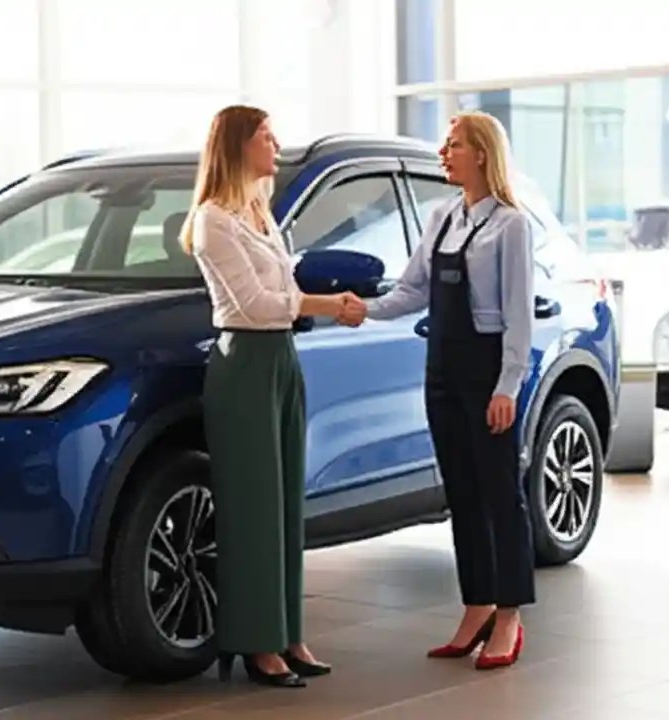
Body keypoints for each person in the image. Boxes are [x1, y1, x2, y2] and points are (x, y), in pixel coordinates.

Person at [182, 104, 362, 688]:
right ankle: (255, 644)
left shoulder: (259, 212)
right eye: (265, 135)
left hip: (281, 360)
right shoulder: (213, 221)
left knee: (284, 505)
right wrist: (329, 305)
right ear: (239, 144)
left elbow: (278, 291)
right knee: (252, 510)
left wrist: (313, 302)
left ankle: (287, 633)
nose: (276, 143)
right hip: (246, 363)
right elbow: (257, 305)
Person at [353, 110, 536, 670]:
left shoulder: (510, 224)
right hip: (442, 369)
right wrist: (360, 310)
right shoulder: (441, 217)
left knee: (500, 494)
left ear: (481, 154)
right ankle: (476, 604)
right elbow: (412, 290)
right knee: (461, 492)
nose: (443, 153)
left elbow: (517, 316)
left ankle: (510, 614)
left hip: (486, 372)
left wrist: (508, 385)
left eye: (453, 145)